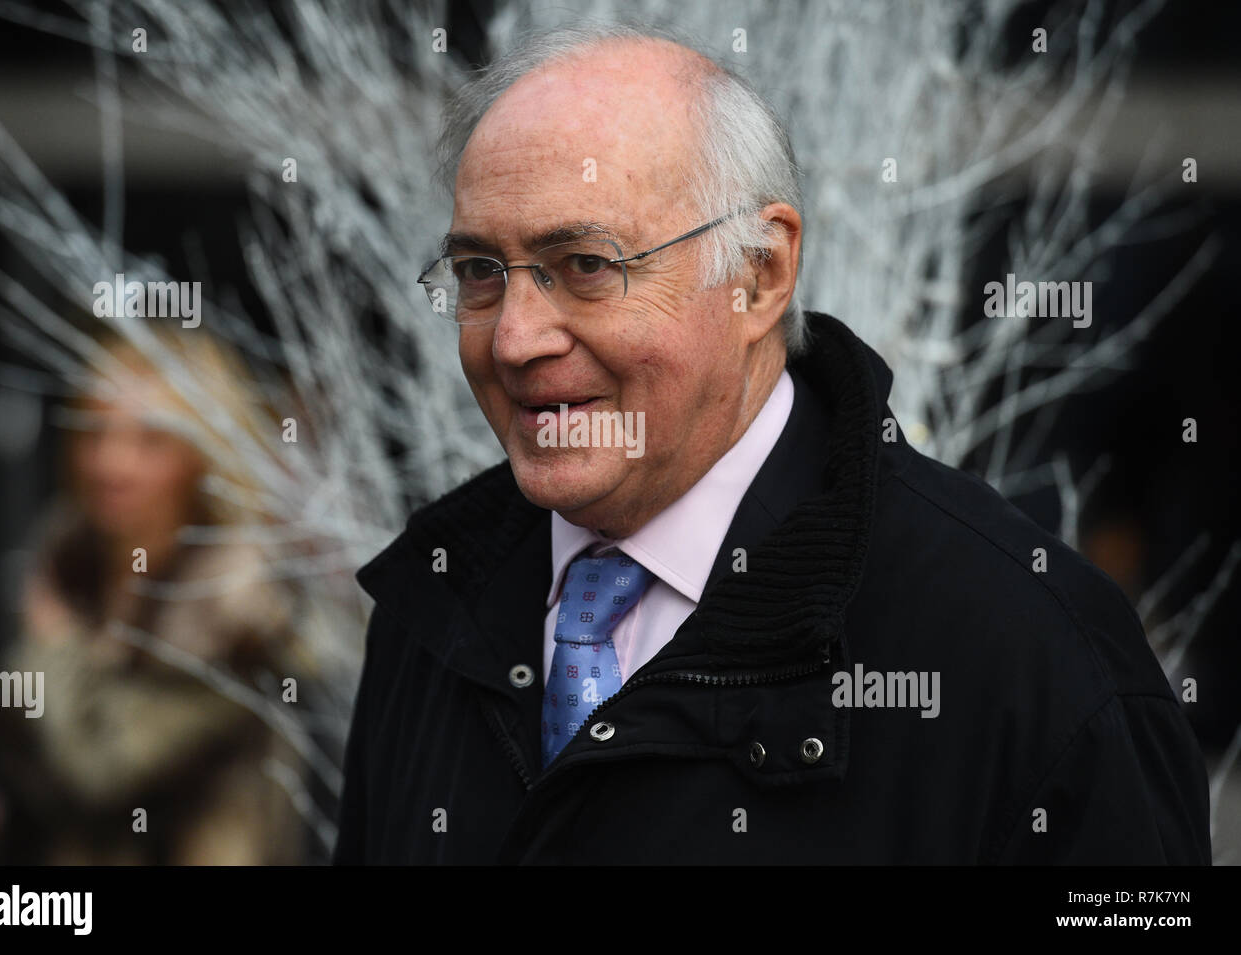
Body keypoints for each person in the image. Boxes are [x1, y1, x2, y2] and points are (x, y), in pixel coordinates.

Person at [334, 25, 1210, 864]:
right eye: (482, 272)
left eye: (587, 266)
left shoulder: (1028, 657)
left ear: (760, 273)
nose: (515, 338)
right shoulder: (433, 607)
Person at [0, 329, 310, 864]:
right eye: (95, 432)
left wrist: (53, 645)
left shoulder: (231, 600)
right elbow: (27, 765)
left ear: (198, 453)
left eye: (150, 441)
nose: (112, 463)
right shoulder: (72, 564)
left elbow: (100, 775)